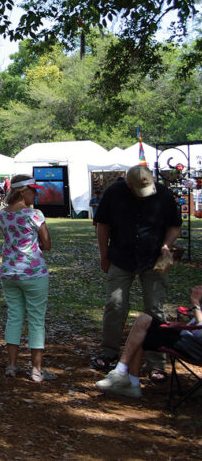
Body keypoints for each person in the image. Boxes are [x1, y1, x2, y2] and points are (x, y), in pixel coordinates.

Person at [92, 164, 181, 376]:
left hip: (153, 259)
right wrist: (104, 256)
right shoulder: (114, 193)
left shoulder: (164, 194)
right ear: (129, 184)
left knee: (155, 308)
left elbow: (174, 225)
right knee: (115, 303)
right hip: (121, 257)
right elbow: (102, 225)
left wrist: (167, 245)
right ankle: (109, 352)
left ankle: (156, 363)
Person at [95, 286, 202, 399]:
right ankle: (125, 376)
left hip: (195, 347)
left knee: (144, 328)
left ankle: (128, 379)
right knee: (143, 321)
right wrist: (183, 325)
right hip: (188, 335)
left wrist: (195, 302)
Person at [0, 175, 54, 382]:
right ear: (23, 192)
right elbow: (47, 244)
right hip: (33, 273)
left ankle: (12, 366)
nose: (36, 194)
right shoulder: (35, 214)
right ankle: (37, 370)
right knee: (36, 319)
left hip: (9, 272)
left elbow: (7, 236)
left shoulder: (3, 215)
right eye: (33, 190)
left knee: (14, 317)